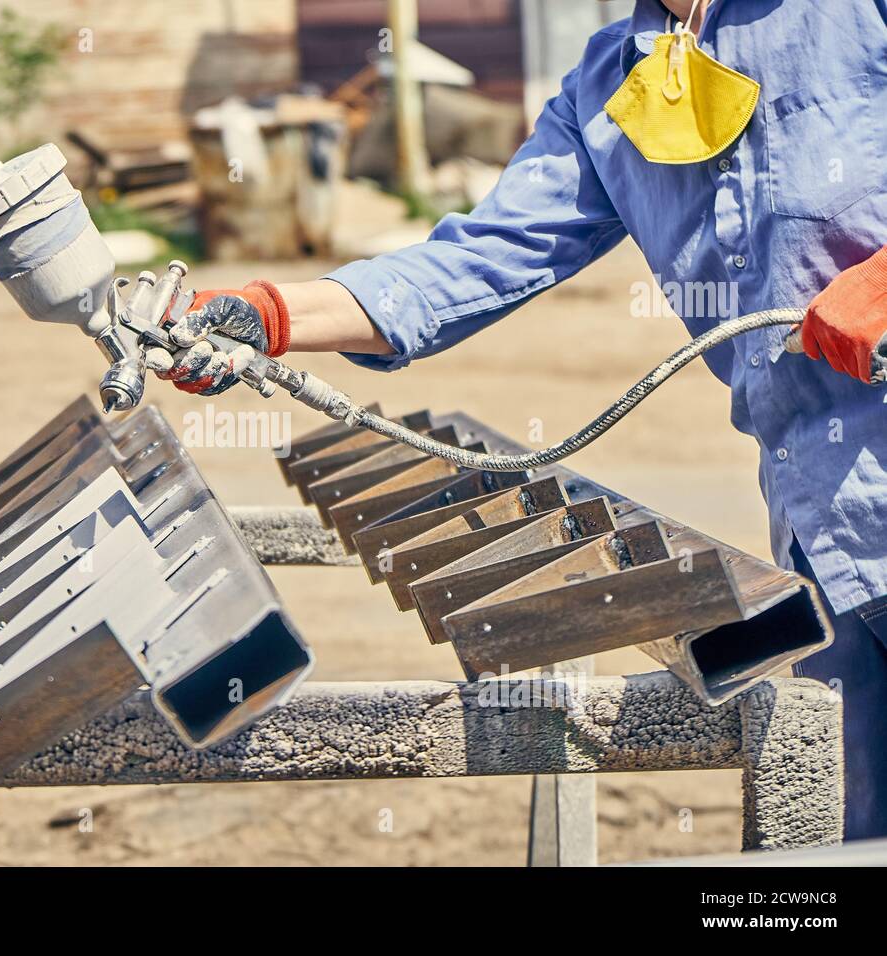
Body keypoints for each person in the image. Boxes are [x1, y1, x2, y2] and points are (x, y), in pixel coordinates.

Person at [149, 0, 887, 841]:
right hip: (822, 533)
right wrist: (268, 313)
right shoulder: (612, 85)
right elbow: (476, 257)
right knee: (838, 847)